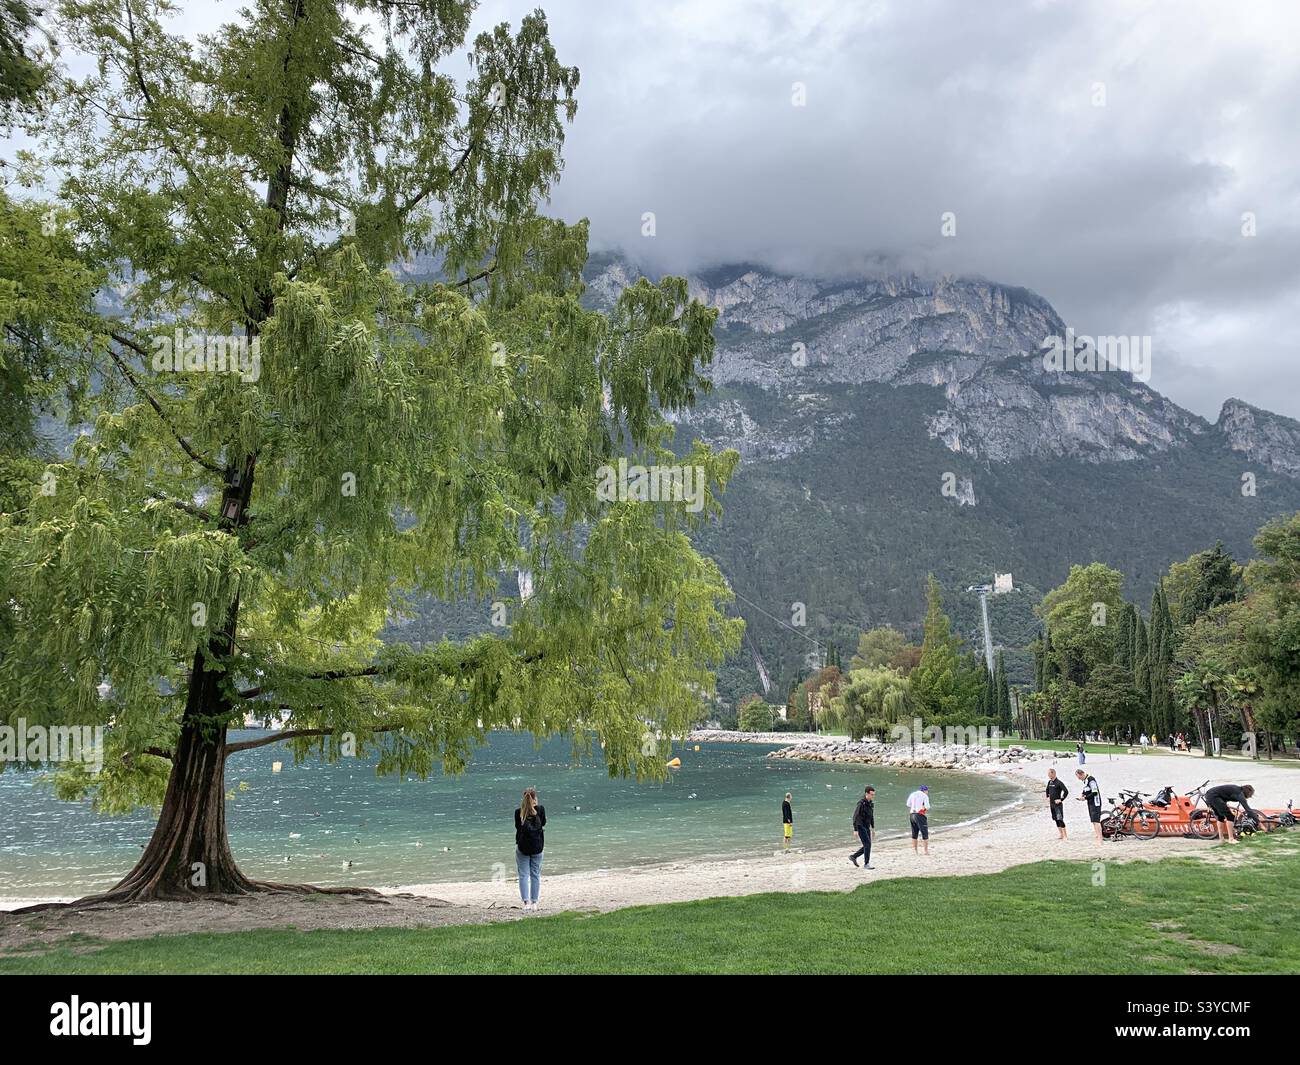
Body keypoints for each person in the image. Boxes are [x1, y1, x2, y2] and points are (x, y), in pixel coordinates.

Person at [514, 786, 546, 909]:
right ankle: (534, 902)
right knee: (535, 874)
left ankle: (526, 902)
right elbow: (543, 823)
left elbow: (518, 827)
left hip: (522, 848)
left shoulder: (518, 812)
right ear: (535, 798)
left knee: (523, 875)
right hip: (537, 847)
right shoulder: (541, 809)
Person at [1075, 768, 1103, 842]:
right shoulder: (1085, 780)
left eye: (1079, 777)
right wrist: (1082, 794)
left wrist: (1085, 798)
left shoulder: (1091, 779)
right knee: (1093, 820)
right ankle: (1097, 835)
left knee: (1096, 821)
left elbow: (1095, 792)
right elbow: (1086, 789)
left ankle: (1100, 838)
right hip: (1090, 802)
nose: (1079, 779)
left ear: (1082, 774)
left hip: (1096, 802)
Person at [849, 786, 875, 868]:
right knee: (867, 844)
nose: (872, 796)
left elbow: (871, 816)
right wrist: (855, 829)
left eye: (873, 795)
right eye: (871, 794)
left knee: (868, 845)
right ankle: (866, 864)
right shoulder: (861, 803)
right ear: (866, 793)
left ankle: (854, 856)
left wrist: (873, 828)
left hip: (867, 827)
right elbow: (855, 816)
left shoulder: (870, 803)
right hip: (860, 826)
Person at [906, 784, 930, 855]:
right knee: (924, 833)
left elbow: (908, 804)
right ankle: (926, 851)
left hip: (912, 814)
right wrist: (923, 808)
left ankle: (915, 850)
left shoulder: (912, 794)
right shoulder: (924, 796)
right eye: (927, 791)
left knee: (914, 833)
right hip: (919, 814)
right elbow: (927, 806)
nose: (927, 792)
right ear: (925, 790)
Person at [1046, 768, 1069, 839]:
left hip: (1057, 805)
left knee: (1060, 819)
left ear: (1053, 774)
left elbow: (1066, 791)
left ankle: (1065, 835)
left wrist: (1061, 799)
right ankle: (1061, 834)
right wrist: (1047, 796)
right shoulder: (1050, 782)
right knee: (1055, 819)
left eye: (1049, 774)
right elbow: (1047, 790)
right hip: (1052, 804)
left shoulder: (1059, 782)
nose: (1048, 775)